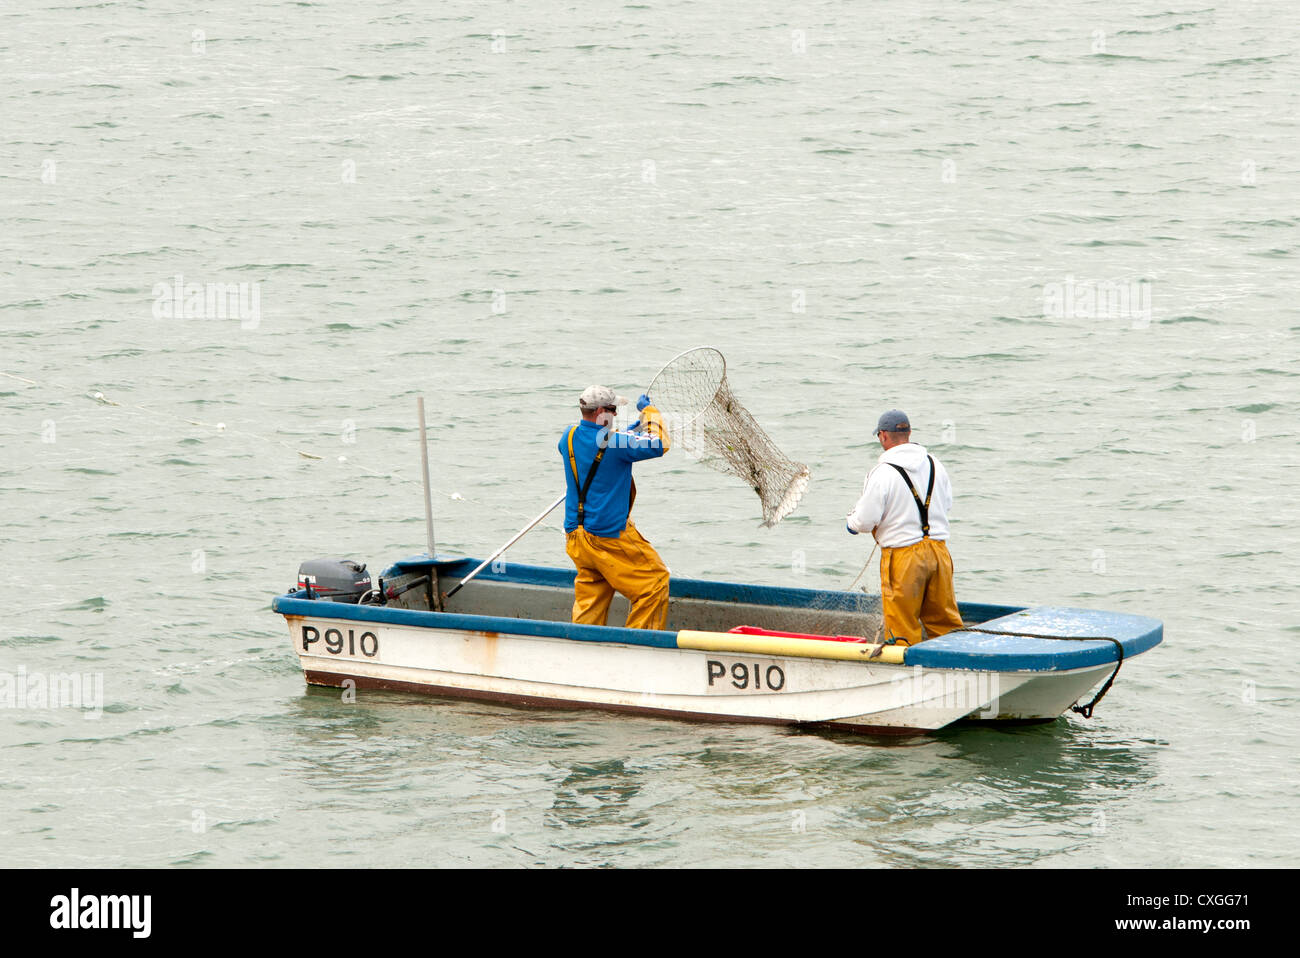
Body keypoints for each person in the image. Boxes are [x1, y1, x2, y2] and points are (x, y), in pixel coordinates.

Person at [846, 409, 963, 645]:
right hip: (939, 553)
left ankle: (904, 677)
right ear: (909, 433)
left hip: (903, 557)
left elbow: (864, 521)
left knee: (901, 628)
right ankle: (957, 667)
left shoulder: (882, 472)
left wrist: (851, 522)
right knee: (945, 623)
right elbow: (946, 504)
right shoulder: (935, 464)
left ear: (883, 436)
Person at [559, 385, 672, 630]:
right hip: (608, 536)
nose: (616, 414)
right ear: (600, 411)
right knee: (654, 583)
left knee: (591, 597)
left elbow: (599, 443)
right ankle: (639, 648)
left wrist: (628, 435)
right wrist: (650, 413)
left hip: (576, 537)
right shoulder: (615, 444)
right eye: (612, 410)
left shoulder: (567, 436)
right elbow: (659, 443)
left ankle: (582, 647)